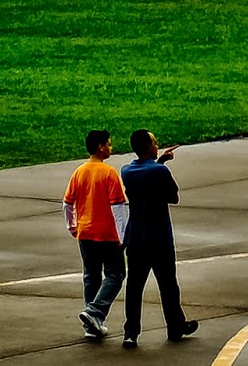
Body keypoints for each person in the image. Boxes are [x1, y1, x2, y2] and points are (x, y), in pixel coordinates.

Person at [119, 129, 197, 347]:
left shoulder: (127, 171)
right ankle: (175, 326)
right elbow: (173, 196)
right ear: (148, 147)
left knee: (134, 287)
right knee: (168, 285)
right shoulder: (160, 172)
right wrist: (161, 165)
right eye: (154, 142)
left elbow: (147, 175)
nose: (157, 145)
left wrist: (160, 161)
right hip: (159, 237)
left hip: (136, 237)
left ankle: (131, 332)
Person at [62, 129, 127, 341]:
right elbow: (118, 207)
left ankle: (91, 325)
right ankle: (95, 312)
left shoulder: (79, 172)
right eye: (108, 144)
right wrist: (123, 235)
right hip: (106, 233)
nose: (111, 147)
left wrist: (73, 227)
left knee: (91, 276)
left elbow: (67, 203)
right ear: (100, 147)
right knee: (115, 274)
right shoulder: (109, 173)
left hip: (85, 232)